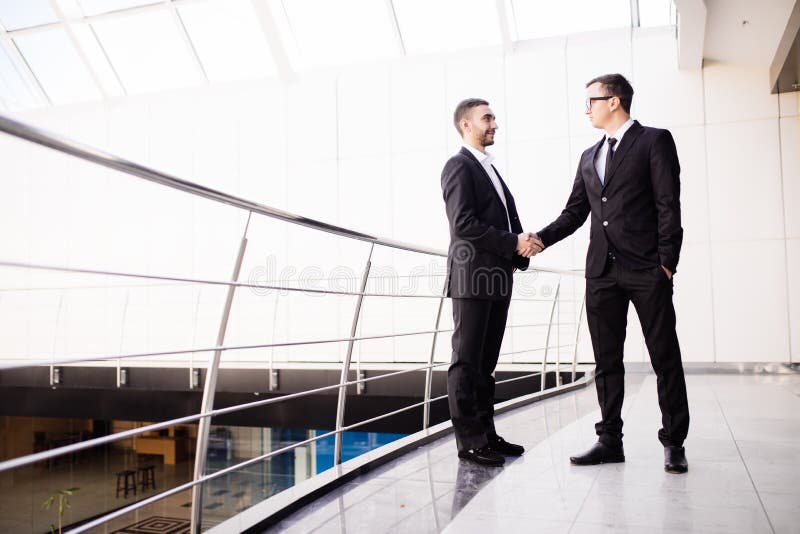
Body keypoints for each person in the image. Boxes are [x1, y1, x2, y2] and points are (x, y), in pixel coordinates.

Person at [531, 74, 690, 474]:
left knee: (664, 357)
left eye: (592, 101)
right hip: (600, 273)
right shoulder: (589, 156)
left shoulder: (654, 140)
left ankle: (674, 442)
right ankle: (609, 441)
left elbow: (669, 204)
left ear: (614, 101)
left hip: (646, 269)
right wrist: (539, 240)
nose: (587, 109)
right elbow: (574, 212)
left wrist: (666, 263)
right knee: (606, 361)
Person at [441, 98, 543, 467]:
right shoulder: (459, 166)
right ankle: (469, 442)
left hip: (497, 276)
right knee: (467, 363)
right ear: (466, 125)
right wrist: (512, 241)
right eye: (487, 118)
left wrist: (522, 245)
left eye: (493, 117)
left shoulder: (489, 170)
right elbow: (463, 224)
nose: (494, 123)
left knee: (485, 365)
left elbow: (500, 222)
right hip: (472, 279)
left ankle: (487, 435)